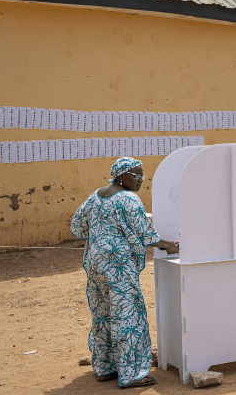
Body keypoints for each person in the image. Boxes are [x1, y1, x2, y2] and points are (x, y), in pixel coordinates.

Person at [71, 157, 179, 388]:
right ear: (121, 176)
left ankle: (104, 367)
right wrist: (169, 245)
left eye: (142, 175)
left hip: (95, 264)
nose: (141, 180)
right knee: (127, 316)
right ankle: (130, 374)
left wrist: (102, 233)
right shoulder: (129, 199)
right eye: (136, 175)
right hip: (117, 267)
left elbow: (77, 227)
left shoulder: (96, 195)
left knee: (102, 314)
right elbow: (147, 234)